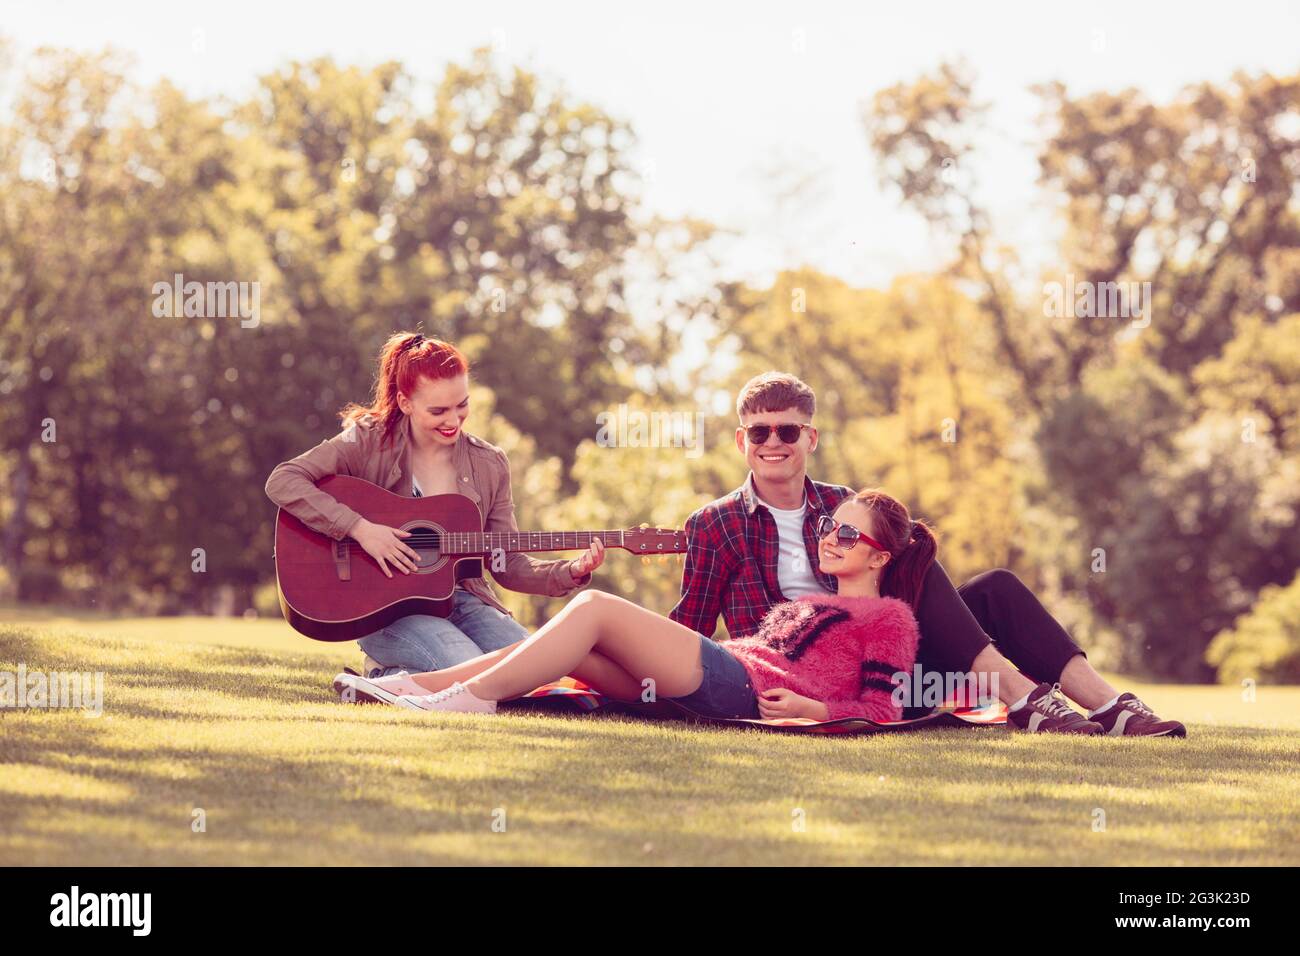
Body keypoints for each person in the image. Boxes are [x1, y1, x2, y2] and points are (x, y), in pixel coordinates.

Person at [666, 371, 1186, 737]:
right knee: (913, 552)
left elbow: (899, 587)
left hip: (887, 671)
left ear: (811, 437)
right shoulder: (714, 524)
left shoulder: (839, 503)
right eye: (760, 431)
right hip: (806, 681)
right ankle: (1026, 697)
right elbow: (687, 631)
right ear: (741, 440)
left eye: (788, 430)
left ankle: (1111, 707)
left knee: (980, 579)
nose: (773, 441)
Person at [333, 490, 925, 721]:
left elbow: (882, 709)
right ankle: (416, 687)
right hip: (722, 669)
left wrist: (812, 709)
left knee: (593, 607)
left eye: (848, 535)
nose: (828, 537)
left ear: (880, 558)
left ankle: (461, 702)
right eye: (829, 525)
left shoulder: (891, 619)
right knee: (570, 644)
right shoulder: (815, 600)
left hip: (739, 689)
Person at [264, 332, 604, 680]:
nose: (454, 421)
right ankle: (384, 676)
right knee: (471, 673)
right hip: (385, 609)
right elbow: (284, 480)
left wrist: (569, 571)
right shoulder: (367, 439)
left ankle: (403, 678)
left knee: (535, 673)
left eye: (462, 406)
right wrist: (360, 529)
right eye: (438, 410)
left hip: (464, 600)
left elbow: (506, 563)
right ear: (405, 402)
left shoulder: (489, 463)